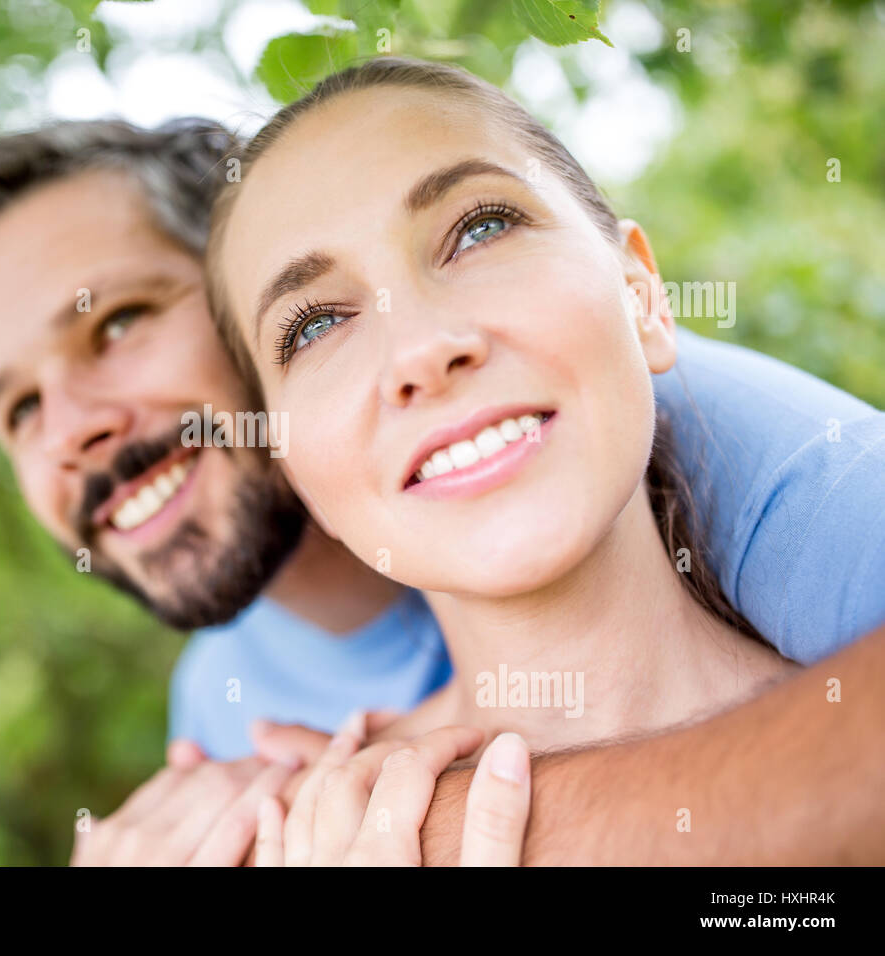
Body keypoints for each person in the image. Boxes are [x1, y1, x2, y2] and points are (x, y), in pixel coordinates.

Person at [0, 97, 885, 863]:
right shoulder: (220, 702)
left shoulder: (705, 438)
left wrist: (422, 823)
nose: (73, 428)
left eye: (116, 323)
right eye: (18, 407)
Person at [205, 56, 885, 864]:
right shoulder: (266, 839)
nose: (422, 349)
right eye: (314, 325)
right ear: (293, 471)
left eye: (480, 229)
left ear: (644, 297)